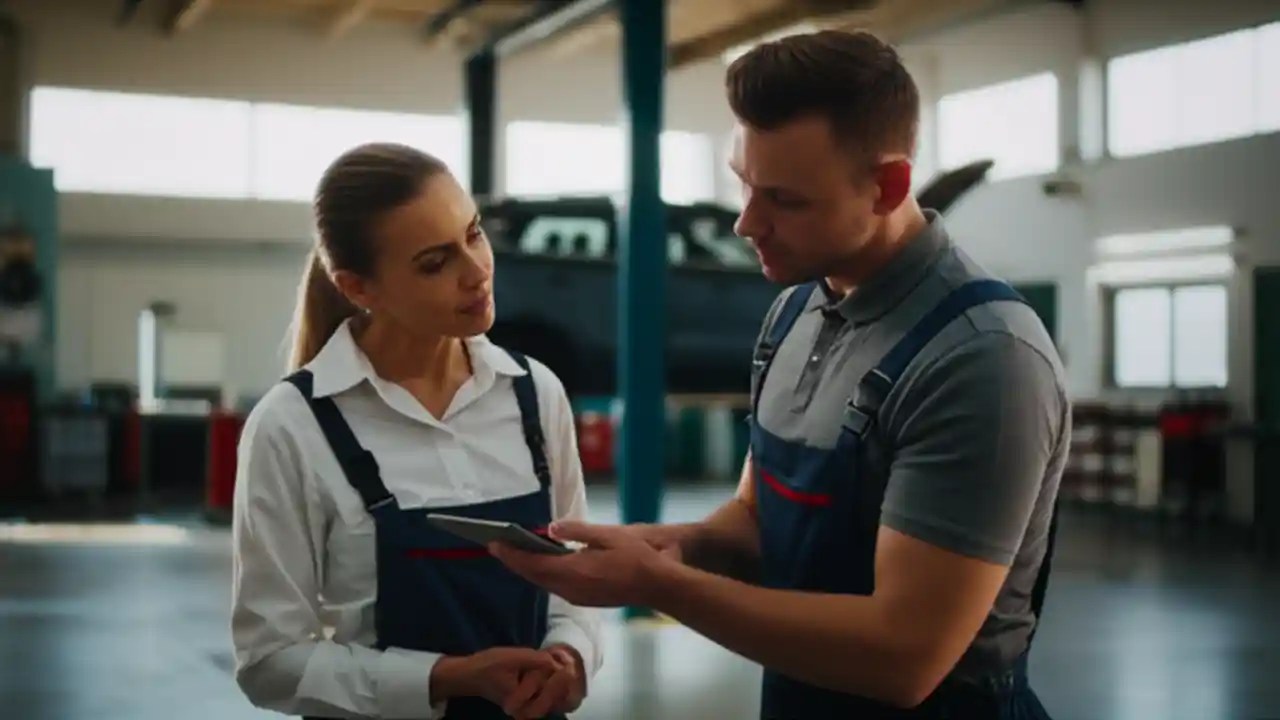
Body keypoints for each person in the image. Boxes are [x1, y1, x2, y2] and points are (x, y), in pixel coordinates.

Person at [491, 29, 1069, 720]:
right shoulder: (794, 312)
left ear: (887, 186)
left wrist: (659, 586)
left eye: (785, 200)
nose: (745, 223)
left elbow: (904, 657)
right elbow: (757, 524)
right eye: (743, 184)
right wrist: (666, 546)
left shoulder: (982, 359)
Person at [230, 142, 601, 720]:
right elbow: (269, 662)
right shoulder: (293, 426)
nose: (476, 271)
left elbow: (572, 592)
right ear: (358, 288)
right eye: (435, 262)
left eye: (474, 234)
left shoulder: (535, 395)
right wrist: (448, 680)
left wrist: (571, 657)